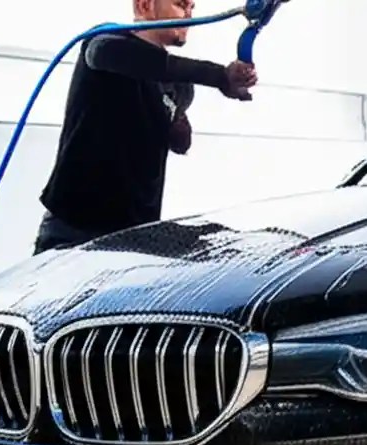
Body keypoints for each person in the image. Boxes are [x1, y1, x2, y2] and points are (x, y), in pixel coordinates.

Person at [33, 0, 259, 254]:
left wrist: (182, 120)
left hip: (135, 238)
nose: (188, 13)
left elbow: (179, 142)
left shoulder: (180, 85)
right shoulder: (105, 41)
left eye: (191, 7)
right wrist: (220, 76)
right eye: (180, 4)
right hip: (72, 231)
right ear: (144, 6)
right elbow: (128, 59)